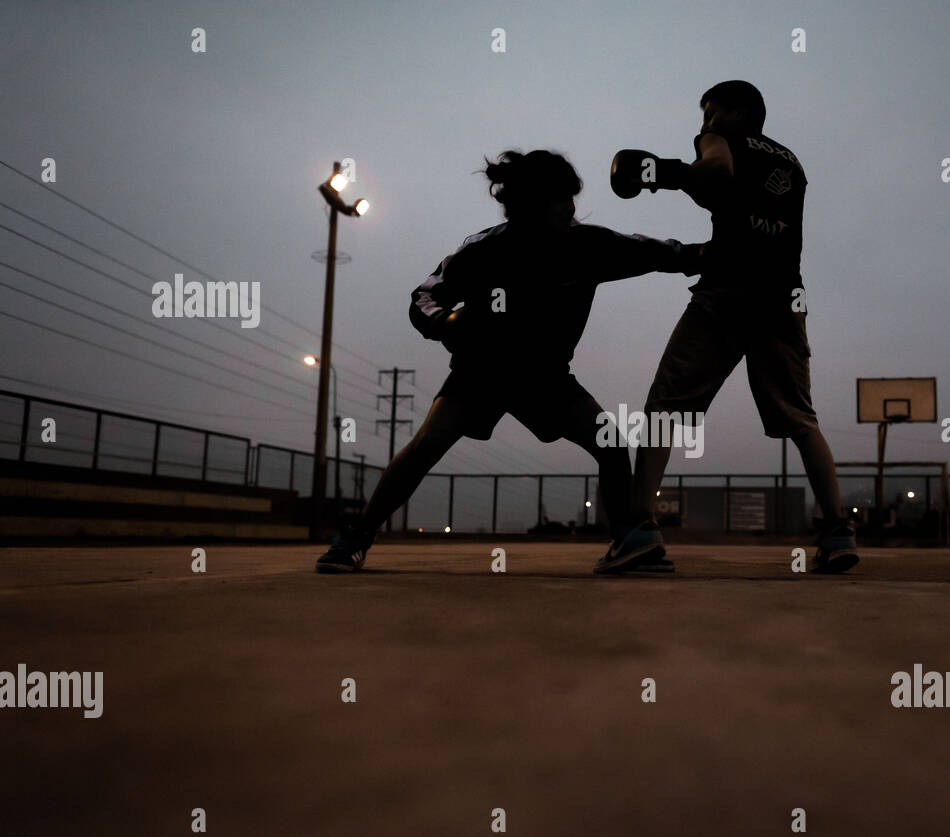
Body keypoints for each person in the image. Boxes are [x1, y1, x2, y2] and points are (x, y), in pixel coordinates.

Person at [316, 149, 704, 572]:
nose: (571, 208)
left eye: (572, 198)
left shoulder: (588, 245)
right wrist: (447, 322)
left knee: (609, 445)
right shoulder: (484, 250)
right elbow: (422, 298)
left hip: (546, 378)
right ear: (530, 205)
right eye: (561, 199)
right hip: (482, 371)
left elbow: (655, 252)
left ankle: (628, 541)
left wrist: (711, 255)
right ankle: (355, 539)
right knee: (427, 446)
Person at [605, 80, 858, 573]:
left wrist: (658, 172)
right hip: (785, 297)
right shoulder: (792, 162)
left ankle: (638, 532)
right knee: (802, 419)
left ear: (740, 113)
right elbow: (743, 205)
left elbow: (717, 173)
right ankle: (838, 533)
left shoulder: (722, 143)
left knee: (665, 408)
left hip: (727, 293)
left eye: (711, 112)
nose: (703, 124)